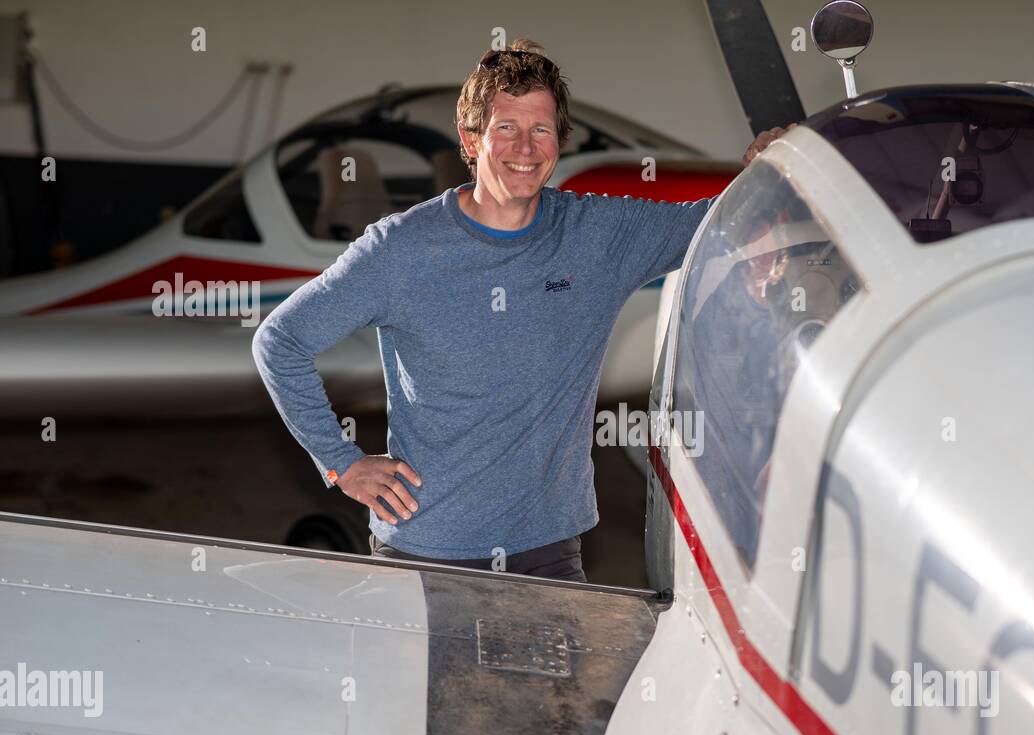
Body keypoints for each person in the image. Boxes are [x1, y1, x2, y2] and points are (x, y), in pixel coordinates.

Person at [253, 38, 792, 581]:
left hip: (550, 550)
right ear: (470, 139)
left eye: (542, 130)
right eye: (506, 128)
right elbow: (280, 340)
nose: (526, 148)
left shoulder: (598, 236)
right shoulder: (400, 249)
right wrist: (340, 462)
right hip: (427, 549)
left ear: (560, 141)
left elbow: (719, 223)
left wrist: (771, 171)